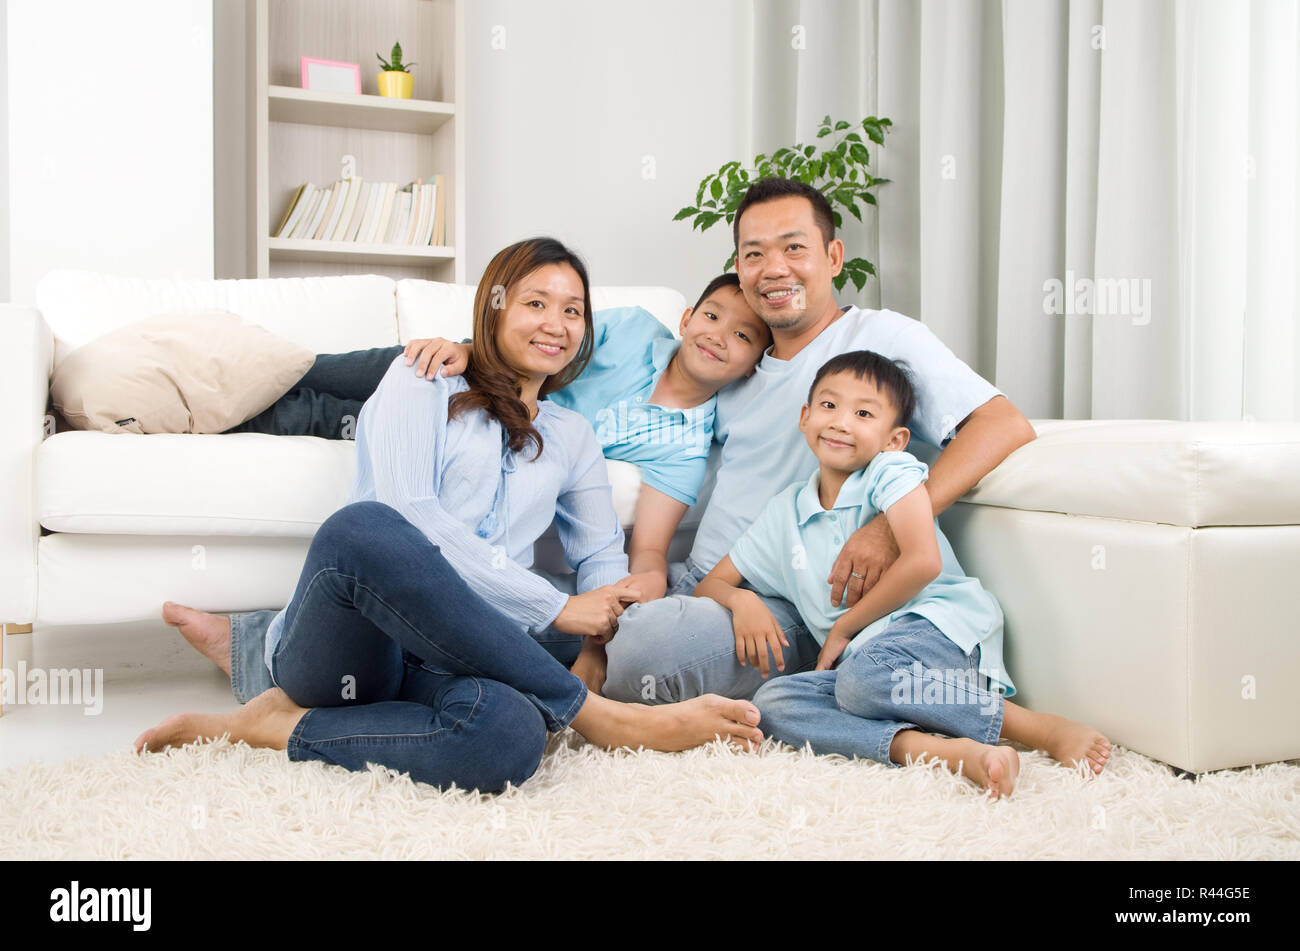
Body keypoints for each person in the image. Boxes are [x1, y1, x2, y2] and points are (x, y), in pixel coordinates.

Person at [136, 237, 764, 792]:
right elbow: (410, 514)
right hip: (355, 654)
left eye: (573, 311)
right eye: (536, 303)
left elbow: (601, 556)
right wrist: (554, 609)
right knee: (369, 527)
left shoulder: (572, 434)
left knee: (509, 737)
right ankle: (606, 720)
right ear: (493, 308)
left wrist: (596, 638)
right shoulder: (423, 380)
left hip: (465, 654)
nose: (557, 323)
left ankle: (281, 724)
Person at [600, 176, 1040, 718]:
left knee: (642, 650)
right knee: (556, 614)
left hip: (789, 600)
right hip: (706, 580)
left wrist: (886, 529)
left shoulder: (882, 339)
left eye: (794, 248)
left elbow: (1001, 424)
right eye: (754, 254)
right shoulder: (736, 365)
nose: (775, 268)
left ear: (833, 256)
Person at [694, 351, 1111, 797]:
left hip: (935, 634)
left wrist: (845, 629)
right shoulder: (785, 511)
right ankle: (949, 754)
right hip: (871, 669)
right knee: (774, 704)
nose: (840, 422)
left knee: (863, 681)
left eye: (863, 413)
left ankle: (1037, 728)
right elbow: (710, 583)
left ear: (895, 439)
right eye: (829, 406)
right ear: (805, 416)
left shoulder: (890, 473)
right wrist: (743, 601)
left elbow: (923, 562)